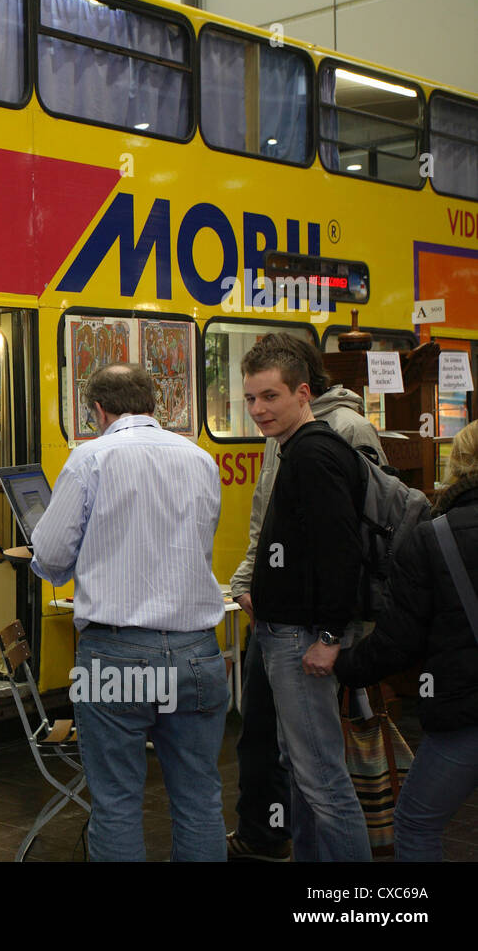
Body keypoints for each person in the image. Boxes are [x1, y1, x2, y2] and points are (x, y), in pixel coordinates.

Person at [32, 363, 227, 861]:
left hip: (114, 655)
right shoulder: (201, 459)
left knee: (117, 802)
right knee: (200, 799)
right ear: (154, 404)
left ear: (98, 409)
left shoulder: (90, 460)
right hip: (198, 653)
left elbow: (51, 556)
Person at [227, 332, 385, 861]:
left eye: (270, 397)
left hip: (300, 640)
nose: (258, 410)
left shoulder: (314, 453)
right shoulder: (295, 448)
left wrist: (328, 637)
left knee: (322, 780)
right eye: (250, 398)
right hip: (287, 633)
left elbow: (341, 554)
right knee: (302, 774)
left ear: (301, 394)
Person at [335, 420, 478, 860]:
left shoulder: (434, 538)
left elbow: (398, 642)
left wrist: (341, 665)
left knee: (415, 822)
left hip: (464, 710)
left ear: (458, 462)